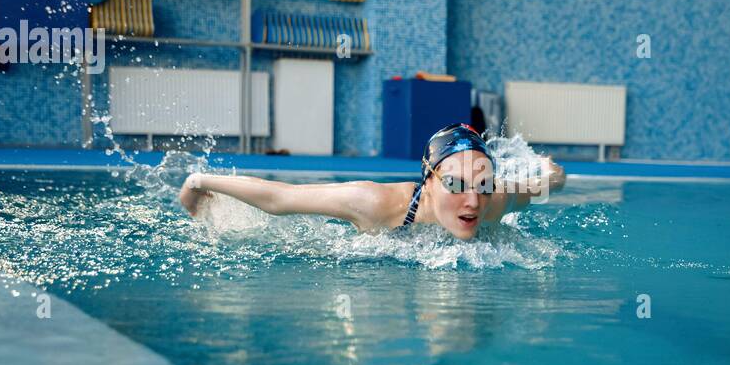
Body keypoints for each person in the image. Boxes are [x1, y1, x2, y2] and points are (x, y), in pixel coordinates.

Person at [178, 123, 565, 241]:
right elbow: (282, 198)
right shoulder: (375, 203)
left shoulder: (493, 202)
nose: (473, 203)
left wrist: (551, 174)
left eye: (482, 186)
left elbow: (540, 185)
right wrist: (199, 180)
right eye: (455, 184)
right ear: (428, 180)